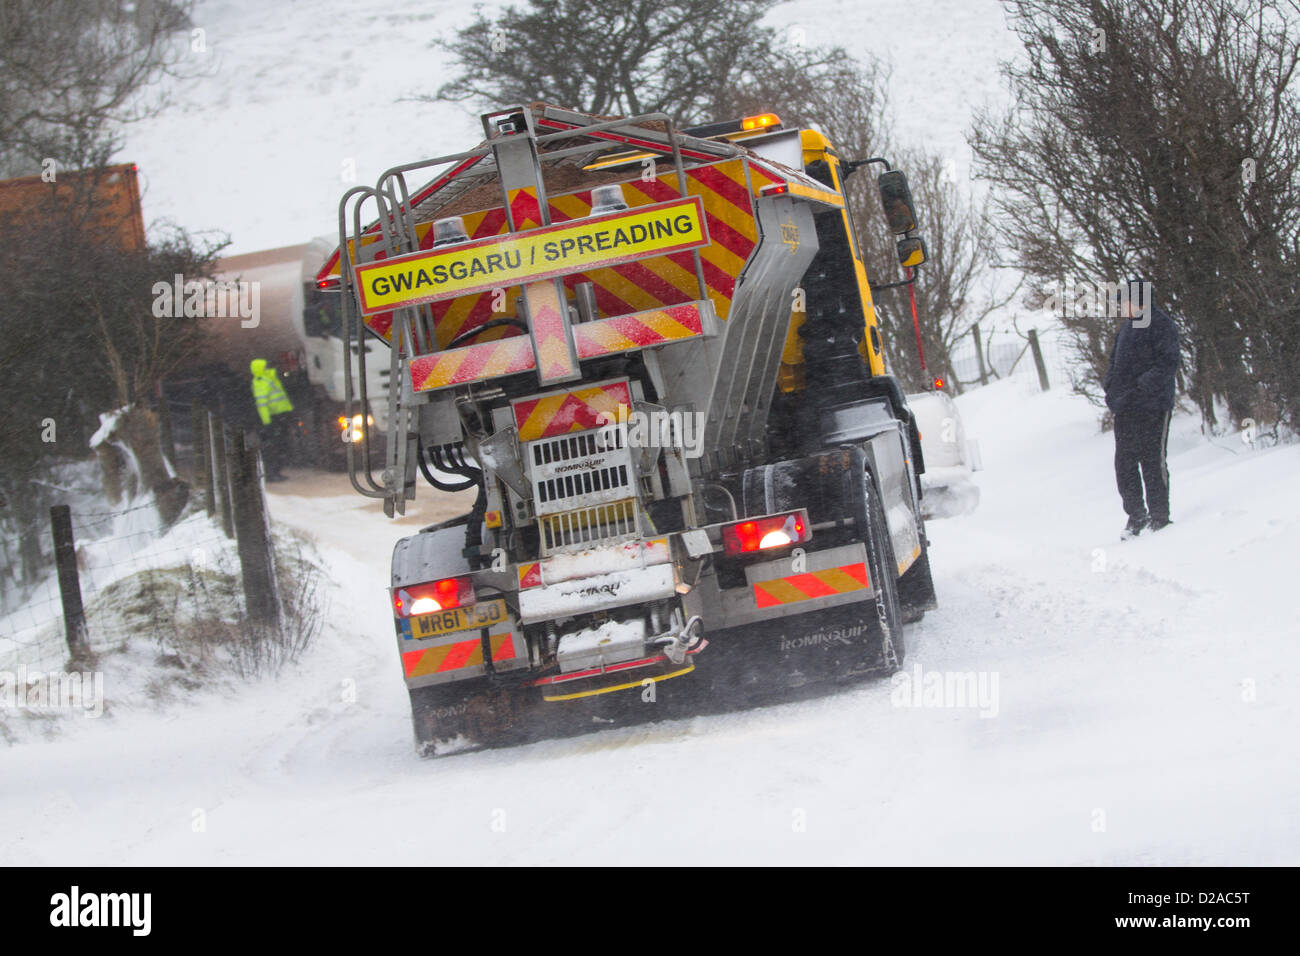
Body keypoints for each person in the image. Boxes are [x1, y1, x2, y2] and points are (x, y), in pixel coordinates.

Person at [1102, 280, 1179, 538]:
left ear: (1140, 301)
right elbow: (1114, 364)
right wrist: (1111, 389)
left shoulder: (1161, 324)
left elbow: (1167, 363)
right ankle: (1136, 516)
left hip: (1153, 406)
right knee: (1124, 463)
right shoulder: (1126, 329)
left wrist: (1141, 388)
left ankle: (1160, 517)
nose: (1122, 307)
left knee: (1152, 461)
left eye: (1125, 301)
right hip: (1126, 408)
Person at [249, 358, 294, 482]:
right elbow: (261, 404)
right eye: (265, 366)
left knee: (278, 446)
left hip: (278, 417)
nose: (267, 367)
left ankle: (275, 471)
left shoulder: (268, 379)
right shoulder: (261, 382)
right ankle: (272, 473)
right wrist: (267, 422)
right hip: (273, 419)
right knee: (274, 447)